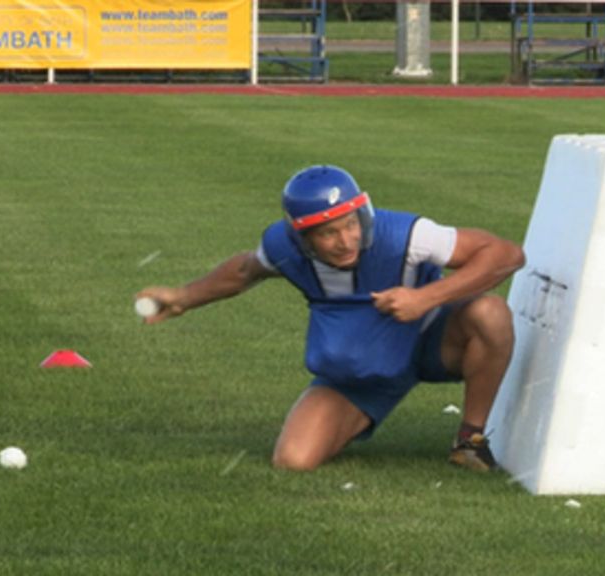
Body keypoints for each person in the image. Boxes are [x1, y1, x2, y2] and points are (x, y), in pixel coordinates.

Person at [136, 165, 525, 472]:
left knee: (490, 314)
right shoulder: (283, 248)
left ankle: (469, 439)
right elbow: (243, 271)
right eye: (328, 234)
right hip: (360, 373)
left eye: (351, 225)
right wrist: (183, 298)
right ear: (302, 239)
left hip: (432, 342)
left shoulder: (407, 234)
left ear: (363, 215)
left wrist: (425, 298)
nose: (345, 241)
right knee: (293, 460)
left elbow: (506, 254)